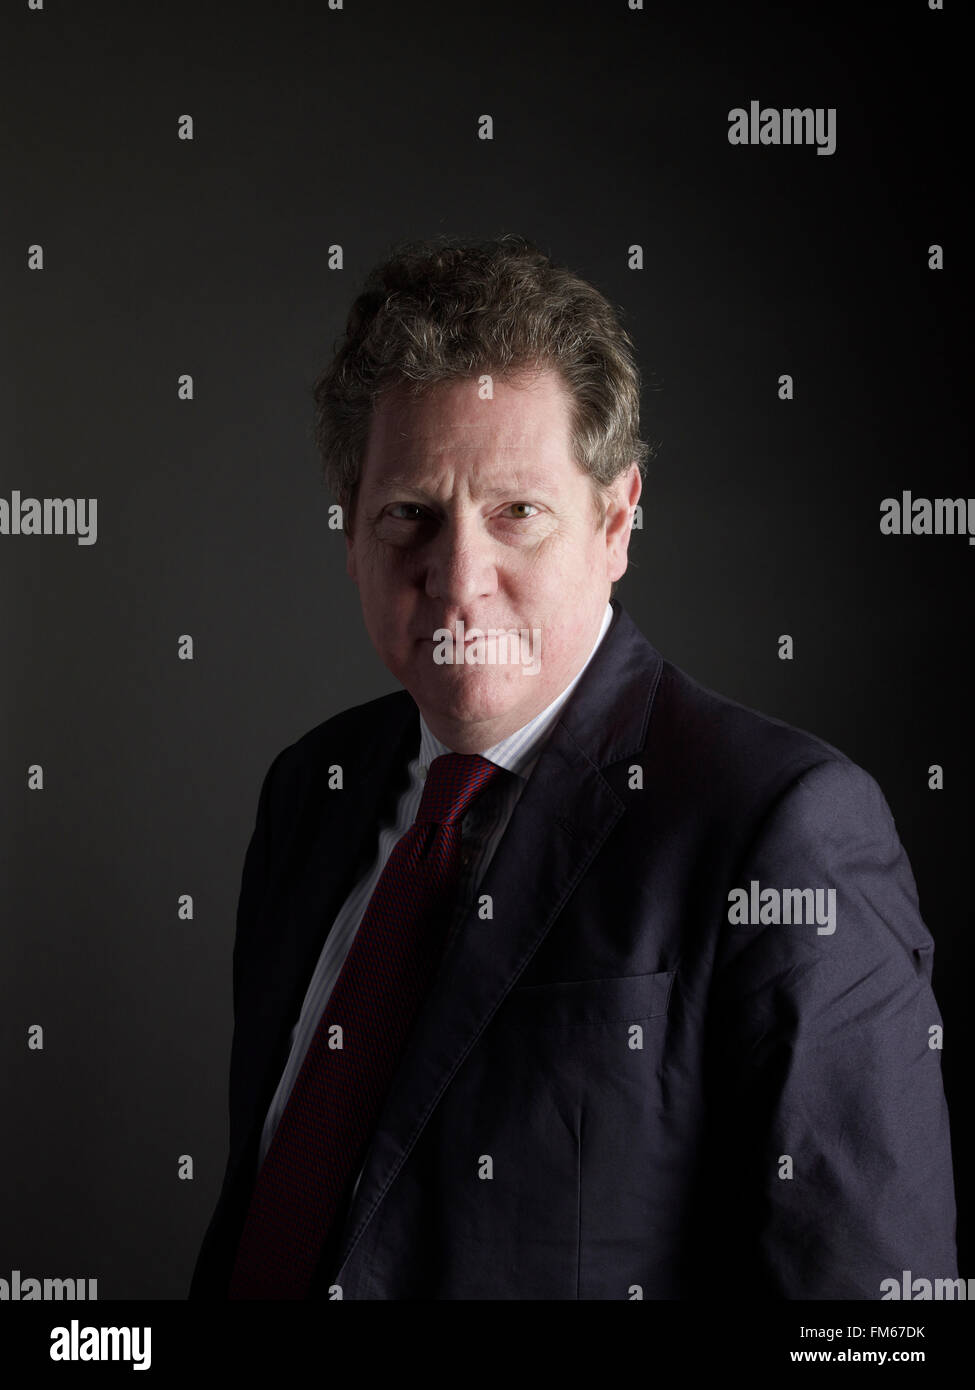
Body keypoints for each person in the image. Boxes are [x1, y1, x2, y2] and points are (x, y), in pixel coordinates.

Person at [189, 235, 957, 1300]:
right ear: (350, 534)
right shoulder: (309, 792)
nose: (459, 580)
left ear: (614, 520)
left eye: (518, 511)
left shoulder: (783, 828)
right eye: (410, 513)